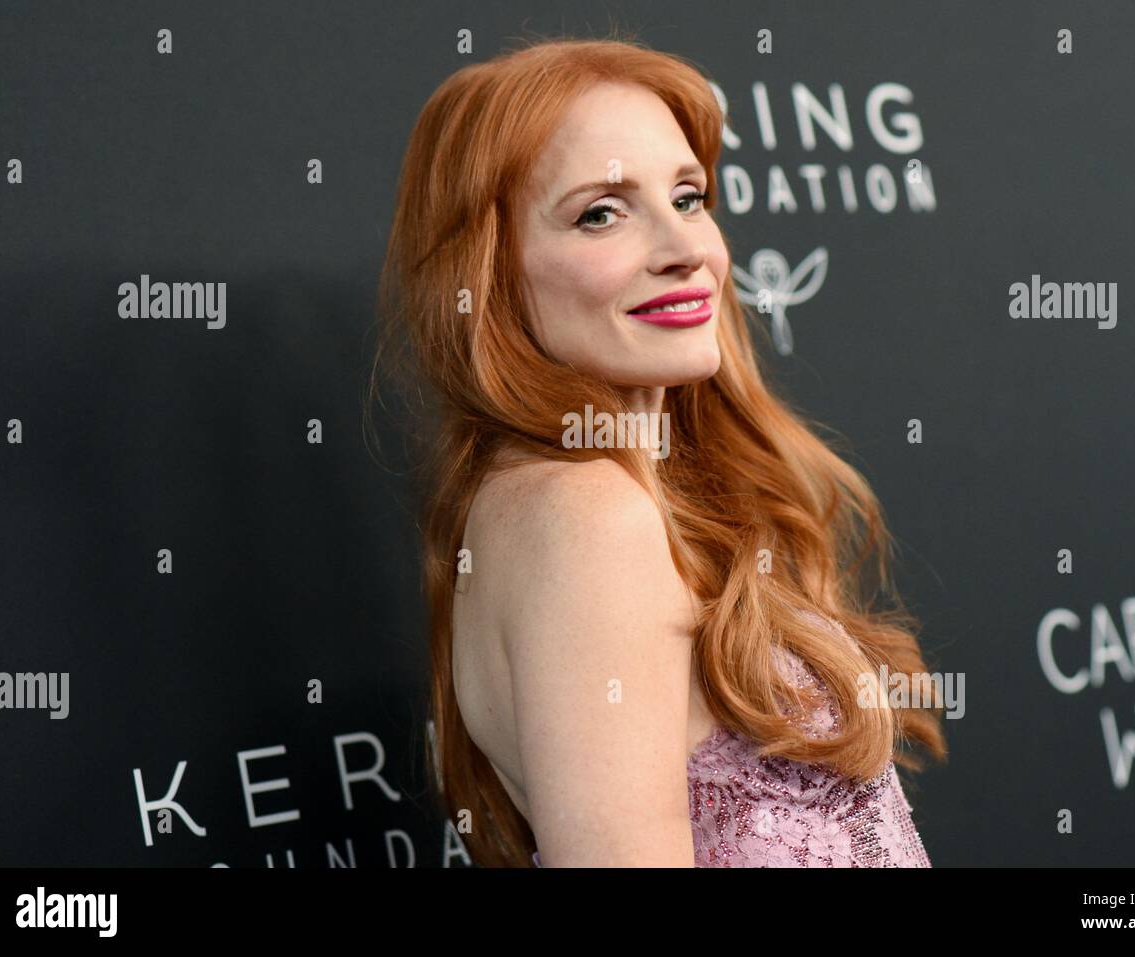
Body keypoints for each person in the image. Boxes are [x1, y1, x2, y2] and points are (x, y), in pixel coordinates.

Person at [370, 36, 948, 867]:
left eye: (688, 197)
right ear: (490, 277)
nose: (686, 249)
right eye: (600, 211)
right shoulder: (587, 515)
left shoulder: (570, 497)